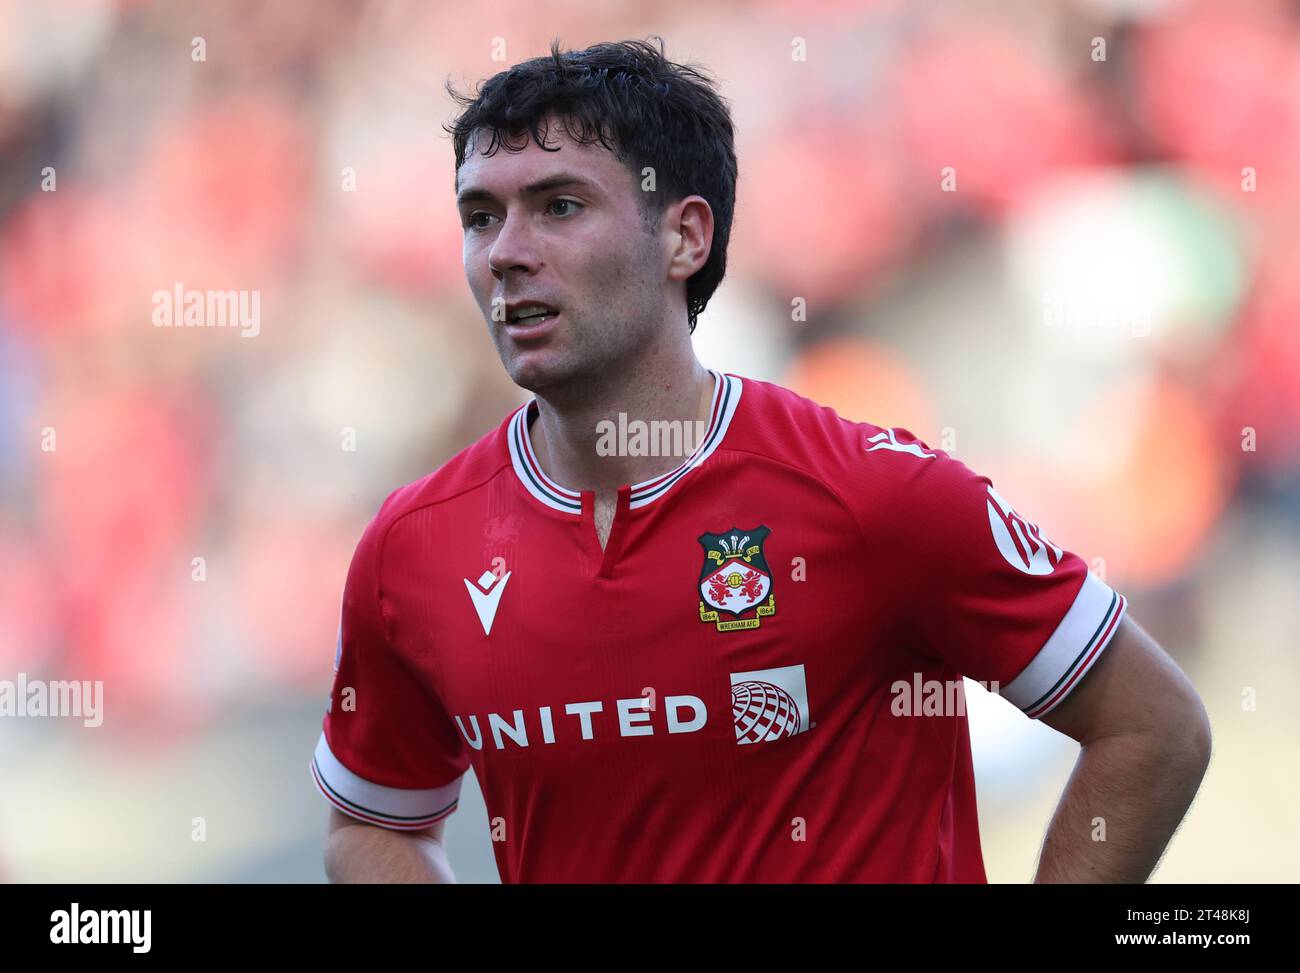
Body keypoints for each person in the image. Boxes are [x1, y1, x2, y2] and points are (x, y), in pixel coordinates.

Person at [312, 37, 1211, 883]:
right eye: (481, 216)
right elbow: (373, 819)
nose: (506, 252)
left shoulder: (876, 494)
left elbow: (1152, 725)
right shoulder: (414, 547)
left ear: (684, 237)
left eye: (559, 205)